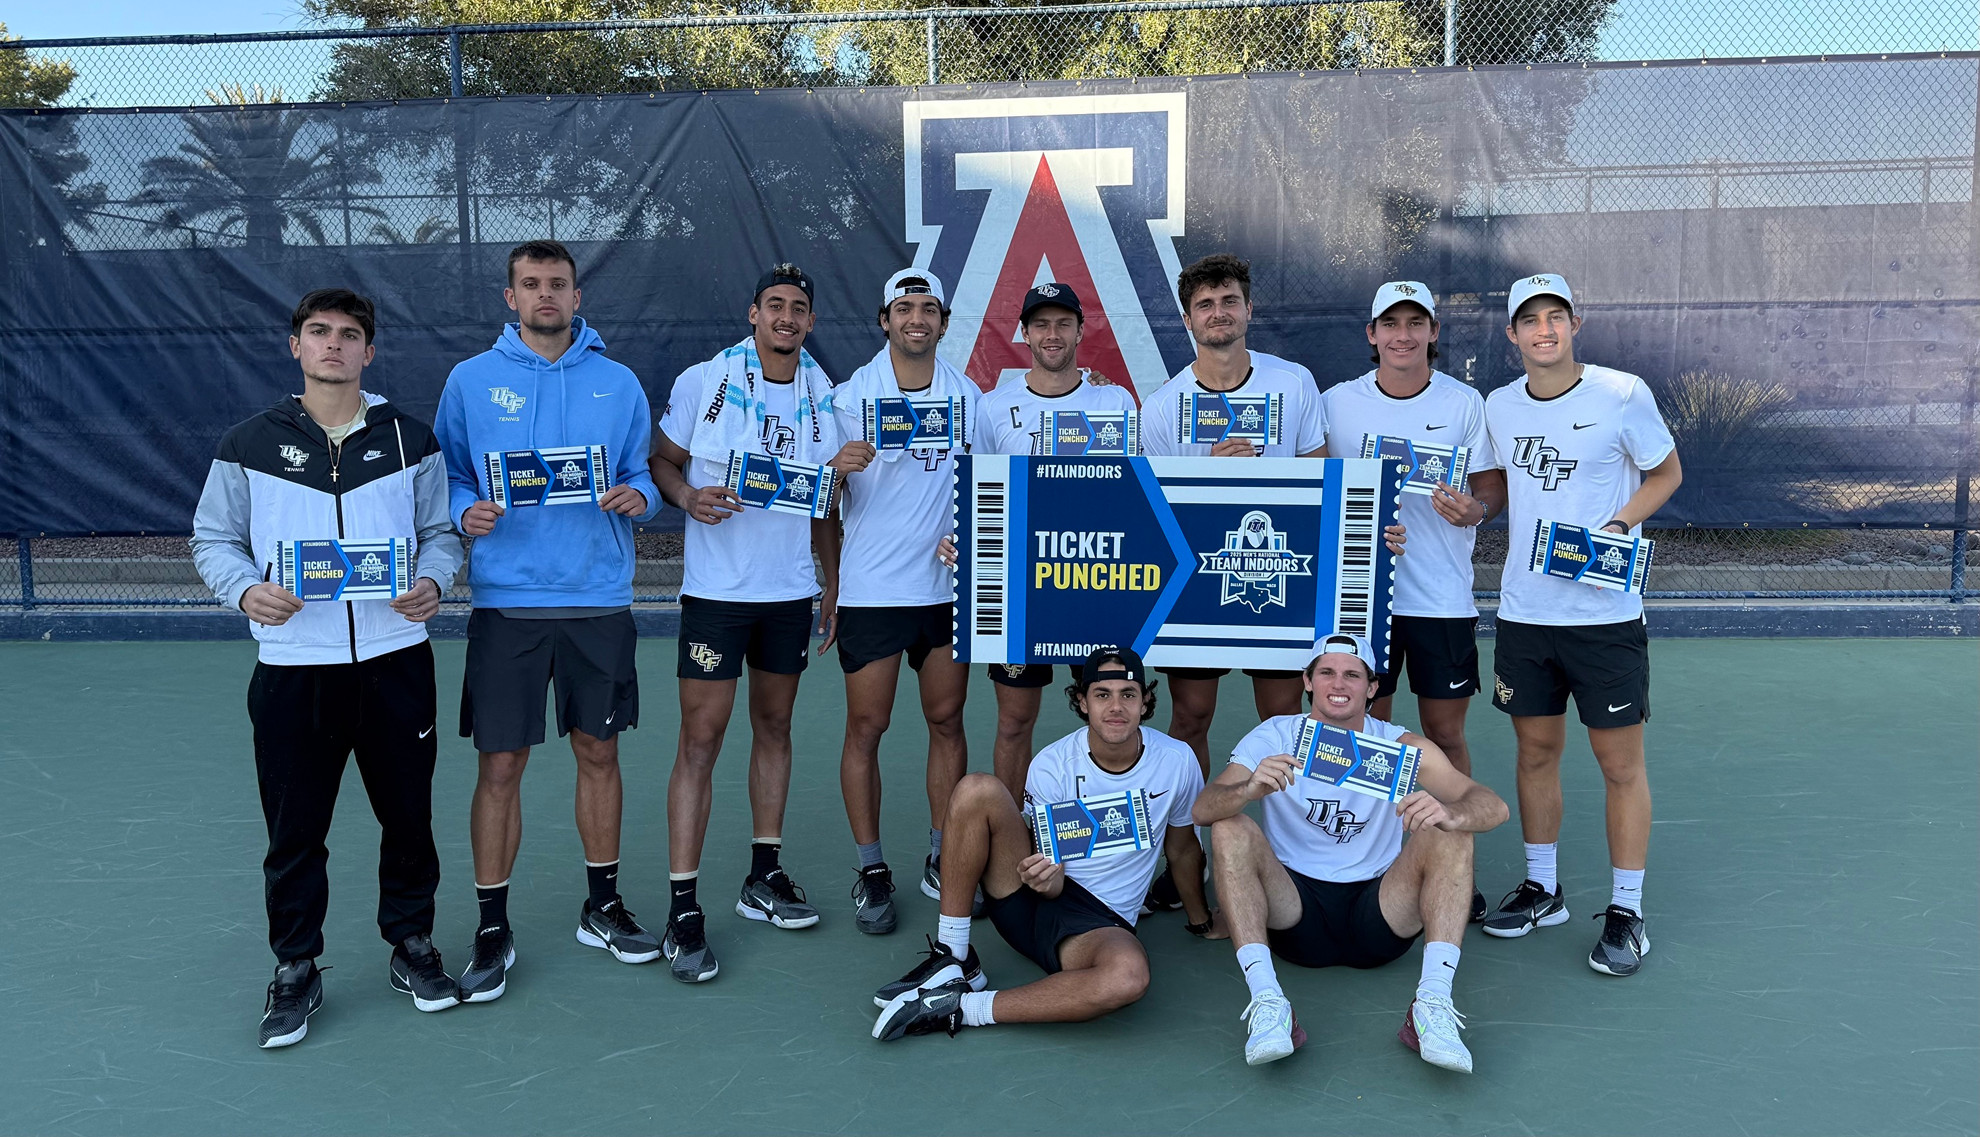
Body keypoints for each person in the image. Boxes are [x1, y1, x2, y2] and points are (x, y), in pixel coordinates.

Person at [192, 288, 466, 1047]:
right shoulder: (248, 442)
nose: (334, 345)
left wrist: (434, 581)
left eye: (350, 334)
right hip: (293, 669)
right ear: (296, 346)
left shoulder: (410, 440)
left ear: (369, 352)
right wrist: (246, 589)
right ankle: (295, 966)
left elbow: (441, 532)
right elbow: (213, 539)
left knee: (408, 817)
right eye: (320, 332)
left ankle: (411, 944)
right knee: (294, 829)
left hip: (395, 662)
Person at [434, 240, 665, 1002]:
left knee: (599, 752)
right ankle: (492, 925)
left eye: (557, 284)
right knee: (500, 764)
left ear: (576, 295)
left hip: (598, 599)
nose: (544, 295)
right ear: (510, 297)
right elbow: (451, 473)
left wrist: (643, 498)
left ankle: (601, 904)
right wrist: (463, 508)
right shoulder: (471, 381)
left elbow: (640, 472)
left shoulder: (619, 382)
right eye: (530, 284)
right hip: (508, 605)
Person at [649, 262, 869, 981]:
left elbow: (825, 503)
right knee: (701, 740)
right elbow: (663, 460)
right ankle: (684, 908)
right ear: (753, 314)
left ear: (809, 322)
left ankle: (762, 874)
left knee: (775, 728)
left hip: (788, 595)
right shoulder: (703, 382)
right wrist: (686, 497)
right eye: (774, 305)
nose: (786, 317)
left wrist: (831, 585)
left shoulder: (826, 396)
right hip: (716, 595)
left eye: (799, 308)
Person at [1479, 274, 1681, 977]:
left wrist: (1619, 523)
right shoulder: (1498, 406)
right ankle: (1543, 889)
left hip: (1605, 617)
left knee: (1619, 764)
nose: (1543, 329)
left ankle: (1627, 911)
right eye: (1529, 319)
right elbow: (1498, 486)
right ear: (1512, 334)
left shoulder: (1623, 393)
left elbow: (1666, 473)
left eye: (1555, 316)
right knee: (1535, 753)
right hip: (1526, 614)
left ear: (1575, 323)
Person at [1193, 634, 1508, 1071]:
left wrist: (1452, 813)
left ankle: (1432, 1004)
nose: (1338, 683)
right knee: (1230, 827)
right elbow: (1203, 808)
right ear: (1307, 681)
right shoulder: (1275, 735)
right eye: (1326, 672)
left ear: (1372, 688)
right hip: (1294, 911)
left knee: (1451, 832)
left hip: (1379, 909)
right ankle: (1268, 1001)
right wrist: (1247, 789)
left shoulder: (1401, 745)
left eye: (1352, 675)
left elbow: (1493, 806)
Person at [870, 649, 1209, 1040]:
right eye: (1102, 694)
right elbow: (1044, 861)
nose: (1116, 707)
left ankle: (959, 1008)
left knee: (1128, 977)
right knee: (976, 789)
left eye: (1128, 694)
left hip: (1098, 925)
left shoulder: (1177, 761)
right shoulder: (1052, 763)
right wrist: (1044, 878)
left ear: (1145, 700)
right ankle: (953, 956)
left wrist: (1200, 920)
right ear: (1082, 700)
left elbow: (1183, 849)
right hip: (1029, 900)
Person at [1318, 281, 1507, 922]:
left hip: (1441, 600)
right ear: (1371, 335)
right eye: (1389, 323)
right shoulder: (1337, 403)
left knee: (1444, 733)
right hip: (1361, 600)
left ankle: (1452, 859)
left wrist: (1476, 509)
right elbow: (1316, 488)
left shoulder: (1463, 403)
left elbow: (1490, 486)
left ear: (1431, 333)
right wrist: (1360, 525)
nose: (1402, 334)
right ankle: (1373, 860)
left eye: (1414, 323)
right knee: (1368, 731)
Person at [826, 269, 979, 933]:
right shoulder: (845, 400)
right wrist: (834, 473)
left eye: (928, 309)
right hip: (873, 592)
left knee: (947, 721)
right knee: (868, 727)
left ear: (943, 322)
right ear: (884, 320)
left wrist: (968, 532)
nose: (917, 318)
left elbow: (991, 487)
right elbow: (815, 506)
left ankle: (946, 855)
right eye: (904, 308)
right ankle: (871, 868)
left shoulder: (971, 398)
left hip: (945, 592)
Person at [1139, 254, 1330, 775]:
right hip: (1198, 584)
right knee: (1191, 718)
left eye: (1229, 301)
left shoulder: (1293, 384)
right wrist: (1208, 472)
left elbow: (1321, 484)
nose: (1218, 313)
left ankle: (1293, 850)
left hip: (1279, 578)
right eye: (1205, 305)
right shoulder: (1161, 406)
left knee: (1284, 717)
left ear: (1249, 309)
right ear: (1187, 319)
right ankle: (1189, 847)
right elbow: (1157, 513)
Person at [969, 283, 1137, 799]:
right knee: (1016, 719)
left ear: (1081, 331)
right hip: (1023, 587)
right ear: (1023, 333)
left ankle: (1102, 841)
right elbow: (980, 491)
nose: (1052, 333)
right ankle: (1007, 838)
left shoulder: (1115, 401)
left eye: (1063, 322)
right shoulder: (993, 407)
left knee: (1109, 715)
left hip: (1099, 583)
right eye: (1040, 323)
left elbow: (1137, 494)